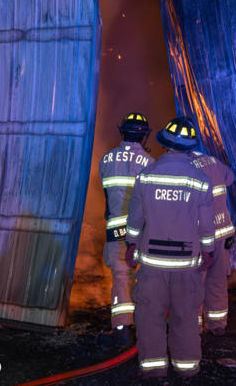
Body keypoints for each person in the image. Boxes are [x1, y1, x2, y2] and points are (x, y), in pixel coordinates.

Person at [124, 117, 216, 378]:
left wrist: (131, 245)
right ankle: (187, 370)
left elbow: (135, 218)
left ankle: (153, 370)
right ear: (190, 147)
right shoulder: (201, 180)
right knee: (185, 317)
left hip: (152, 263)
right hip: (186, 265)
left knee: (149, 316)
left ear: (165, 143)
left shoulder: (147, 176)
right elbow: (206, 225)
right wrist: (207, 252)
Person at [99, 112, 153, 344]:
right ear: (144, 136)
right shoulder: (150, 163)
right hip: (140, 231)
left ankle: (122, 328)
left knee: (121, 278)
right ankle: (146, 327)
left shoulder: (106, 160)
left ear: (122, 133)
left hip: (115, 230)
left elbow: (107, 199)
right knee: (145, 278)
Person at [191, 149, 235, 336]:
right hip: (223, 232)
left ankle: (194, 327)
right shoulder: (213, 161)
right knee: (217, 280)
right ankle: (217, 324)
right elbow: (230, 178)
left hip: (200, 236)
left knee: (194, 283)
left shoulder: (183, 167)